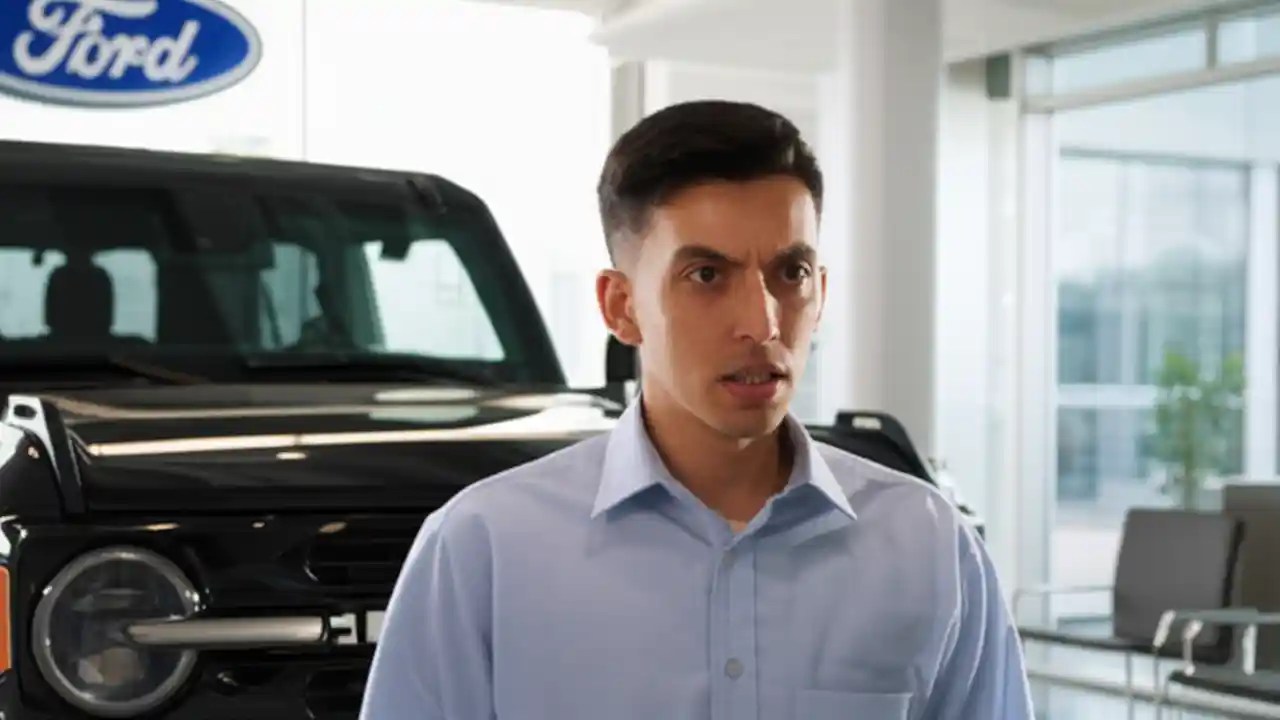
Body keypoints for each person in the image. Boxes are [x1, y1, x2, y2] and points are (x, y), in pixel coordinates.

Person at [359, 99, 1035, 719]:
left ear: (821, 293)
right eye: (706, 276)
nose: (762, 323)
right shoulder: (484, 549)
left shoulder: (929, 548)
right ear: (621, 306)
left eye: (791, 273)